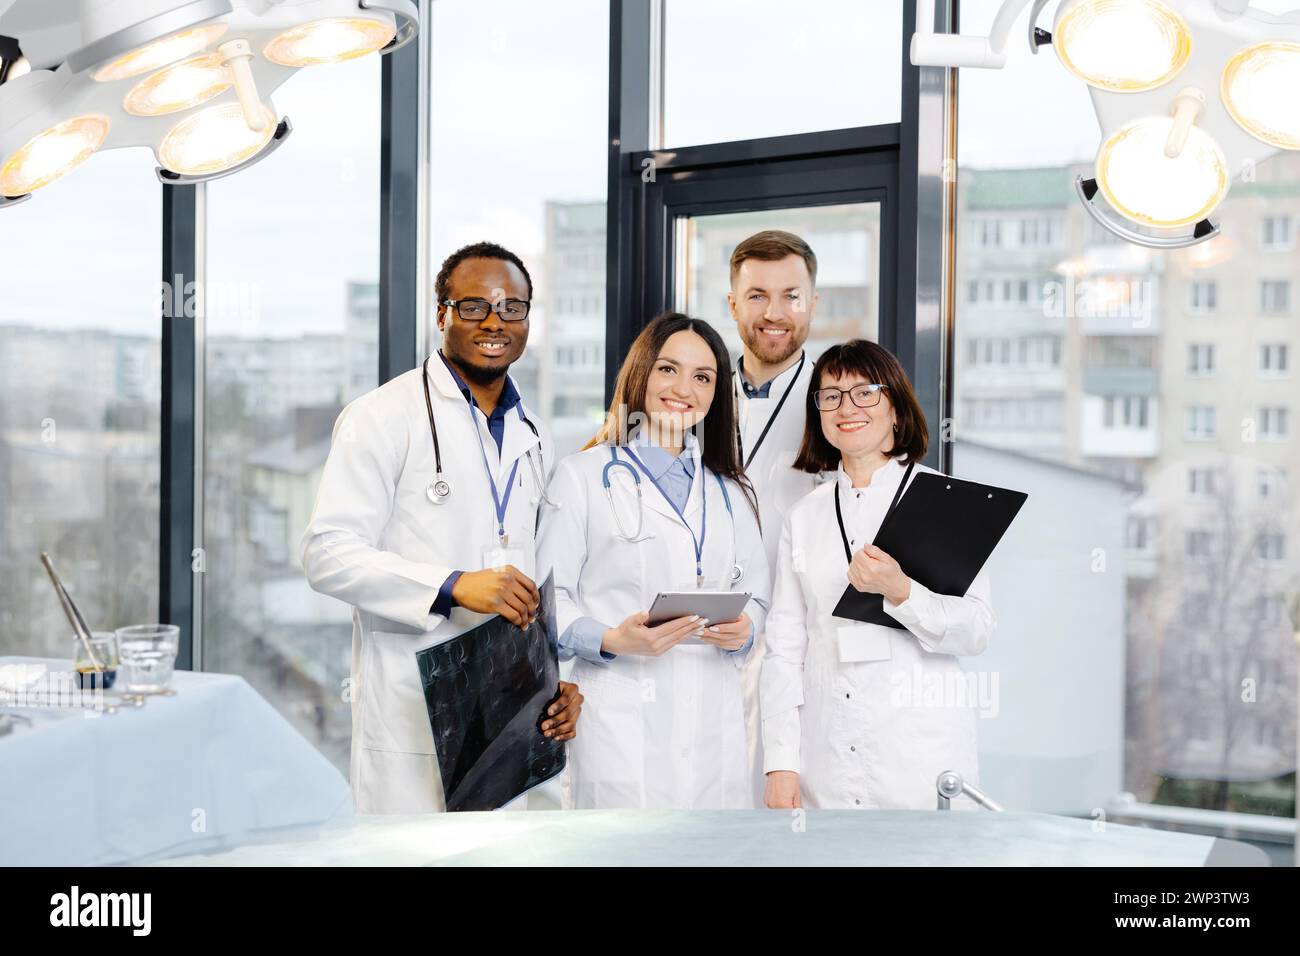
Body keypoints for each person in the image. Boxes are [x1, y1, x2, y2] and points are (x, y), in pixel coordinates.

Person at [301, 241, 583, 814]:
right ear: (442, 314)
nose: (495, 323)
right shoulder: (381, 416)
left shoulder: (535, 435)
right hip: (413, 709)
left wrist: (560, 682)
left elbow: (548, 580)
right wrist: (452, 584)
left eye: (513, 309)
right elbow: (326, 553)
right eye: (474, 306)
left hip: (509, 711)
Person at [536, 312, 770, 808]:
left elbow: (760, 596)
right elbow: (548, 600)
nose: (683, 388)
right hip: (620, 716)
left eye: (702, 377)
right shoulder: (581, 477)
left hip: (713, 720)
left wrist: (745, 630)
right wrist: (612, 638)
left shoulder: (731, 491)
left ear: (716, 394)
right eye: (668, 369)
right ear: (641, 375)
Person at [761, 340, 994, 810]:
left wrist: (901, 590)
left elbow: (976, 632)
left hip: (917, 753)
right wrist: (781, 762)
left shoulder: (944, 503)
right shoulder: (805, 516)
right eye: (830, 395)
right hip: (827, 755)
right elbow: (784, 648)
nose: (846, 407)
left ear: (895, 408)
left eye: (865, 392)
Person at [726, 229, 823, 803]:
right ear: (733, 304)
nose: (775, 313)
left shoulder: (836, 400)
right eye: (757, 295)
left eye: (791, 295)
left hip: (795, 645)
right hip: (703, 634)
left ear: (813, 303)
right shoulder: (694, 390)